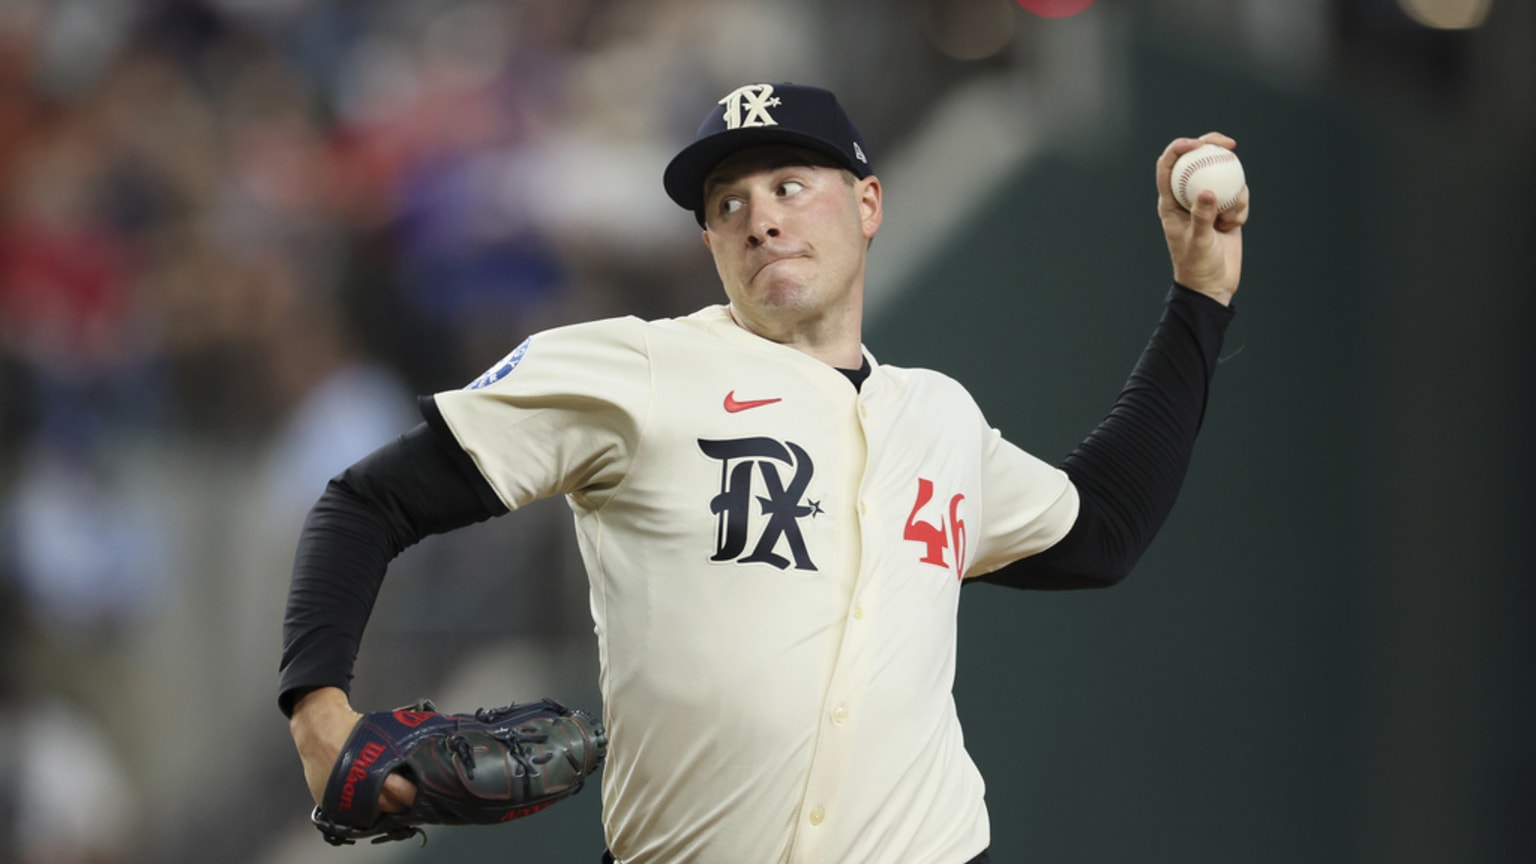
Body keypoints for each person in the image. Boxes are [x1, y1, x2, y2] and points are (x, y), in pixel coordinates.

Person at [280, 82, 1248, 864]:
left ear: (868, 204)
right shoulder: (643, 366)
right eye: (728, 203)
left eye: (791, 184)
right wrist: (321, 721)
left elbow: (1105, 527)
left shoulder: (939, 415)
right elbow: (369, 500)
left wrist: (1200, 295)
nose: (760, 218)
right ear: (708, 243)